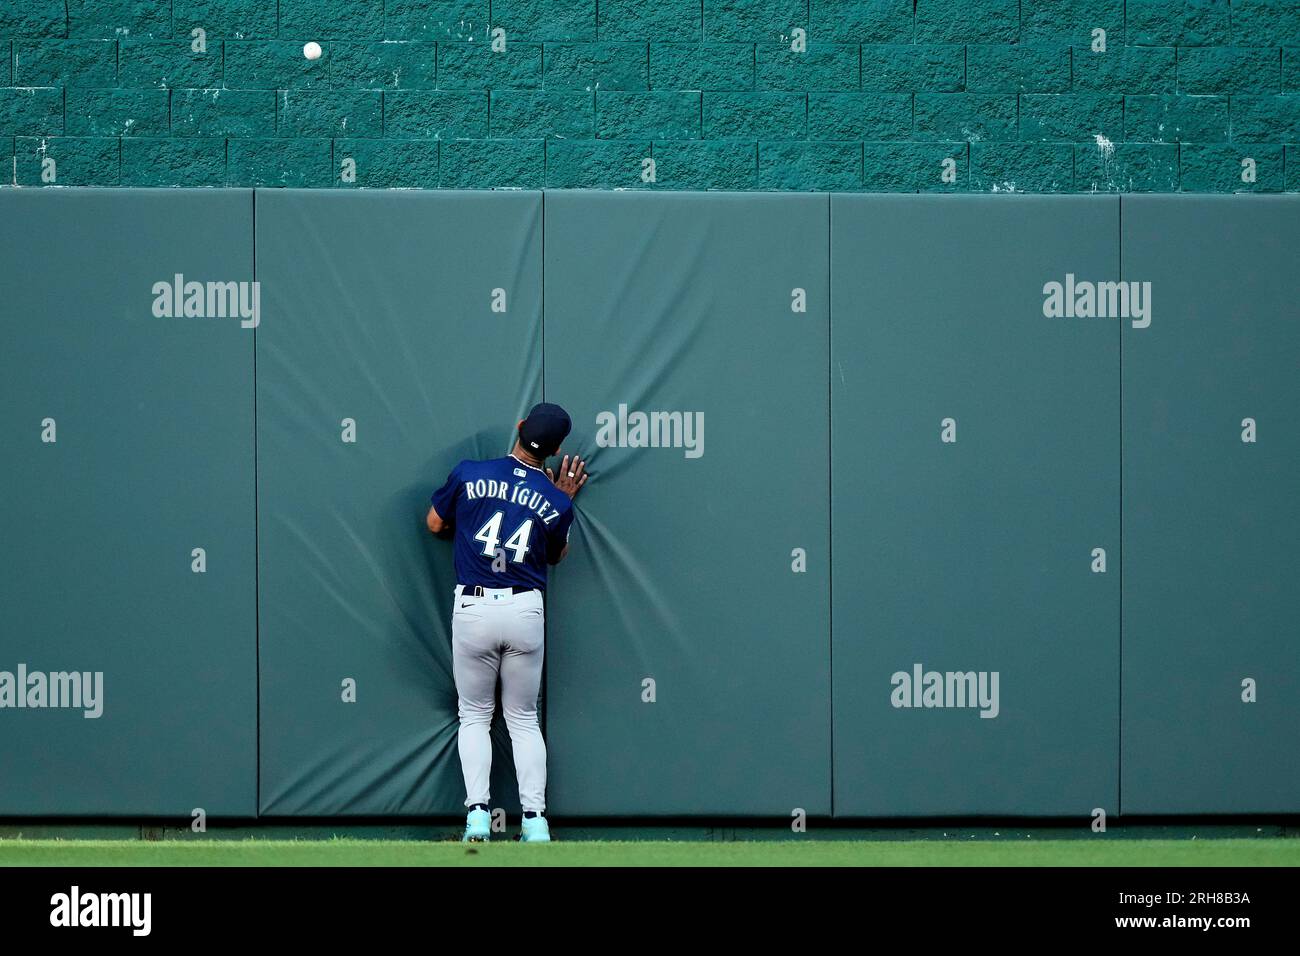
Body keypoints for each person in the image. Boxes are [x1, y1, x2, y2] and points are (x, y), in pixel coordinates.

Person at [426, 402, 589, 843]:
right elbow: (556, 556)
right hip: (524, 611)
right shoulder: (557, 501)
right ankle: (535, 823)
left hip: (476, 606)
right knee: (522, 718)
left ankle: (478, 816)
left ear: (519, 428)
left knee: (475, 716)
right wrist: (561, 501)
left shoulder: (468, 473)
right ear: (555, 451)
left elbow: (434, 522)